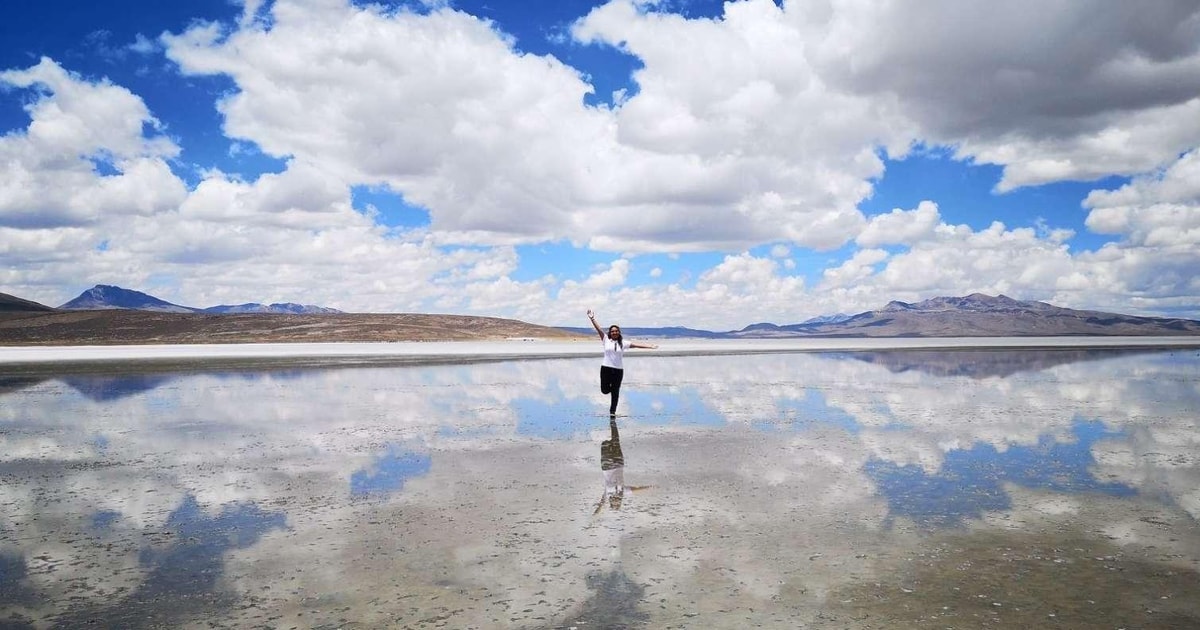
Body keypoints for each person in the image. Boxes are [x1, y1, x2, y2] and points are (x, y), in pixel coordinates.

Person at [586, 309, 657, 417]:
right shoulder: (606, 339)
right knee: (604, 390)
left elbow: (636, 345)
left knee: (616, 392)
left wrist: (650, 346)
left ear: (619, 333)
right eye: (613, 331)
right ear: (610, 333)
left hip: (618, 370)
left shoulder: (623, 343)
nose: (614, 332)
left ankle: (612, 412)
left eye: (616, 331)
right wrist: (592, 318)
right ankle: (613, 389)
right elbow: (598, 329)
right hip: (606, 369)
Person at [593, 418, 650, 514]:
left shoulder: (607, 494)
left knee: (605, 443)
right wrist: (650, 487)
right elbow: (636, 489)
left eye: (614, 503)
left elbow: (601, 504)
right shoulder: (623, 492)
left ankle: (603, 431)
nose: (616, 501)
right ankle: (613, 421)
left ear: (611, 502)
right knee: (615, 440)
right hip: (619, 463)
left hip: (607, 465)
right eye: (618, 503)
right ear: (619, 501)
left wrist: (595, 514)